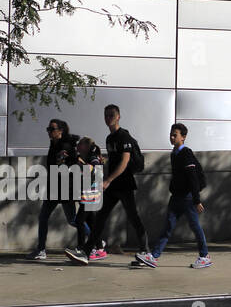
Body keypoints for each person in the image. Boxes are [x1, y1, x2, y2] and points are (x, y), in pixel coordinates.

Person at [67, 104, 147, 264]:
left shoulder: (123, 136)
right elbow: (116, 159)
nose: (108, 118)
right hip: (113, 185)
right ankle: (86, 252)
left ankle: (146, 252)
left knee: (133, 217)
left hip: (124, 184)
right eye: (106, 115)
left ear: (118, 117)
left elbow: (125, 161)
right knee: (100, 218)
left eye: (111, 115)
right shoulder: (109, 138)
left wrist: (108, 180)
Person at [134, 123, 210, 269]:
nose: (172, 137)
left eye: (175, 135)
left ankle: (204, 256)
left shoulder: (186, 153)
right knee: (168, 226)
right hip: (176, 197)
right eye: (171, 134)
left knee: (195, 226)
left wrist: (196, 200)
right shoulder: (174, 153)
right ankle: (154, 257)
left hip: (187, 198)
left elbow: (192, 177)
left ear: (184, 137)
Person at [28, 119, 89, 260]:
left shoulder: (65, 146)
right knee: (43, 217)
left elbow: (71, 165)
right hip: (54, 187)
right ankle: (41, 249)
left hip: (65, 187)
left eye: (52, 129)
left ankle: (96, 240)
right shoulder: (54, 144)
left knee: (73, 220)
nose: (49, 132)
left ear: (60, 131)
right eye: (48, 129)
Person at [64, 136, 103, 260]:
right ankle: (100, 248)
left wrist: (81, 164)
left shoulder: (92, 158)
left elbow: (94, 171)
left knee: (80, 221)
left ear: (86, 146)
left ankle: (81, 248)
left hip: (91, 196)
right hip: (86, 195)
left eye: (80, 144)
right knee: (92, 223)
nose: (77, 146)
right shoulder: (84, 158)